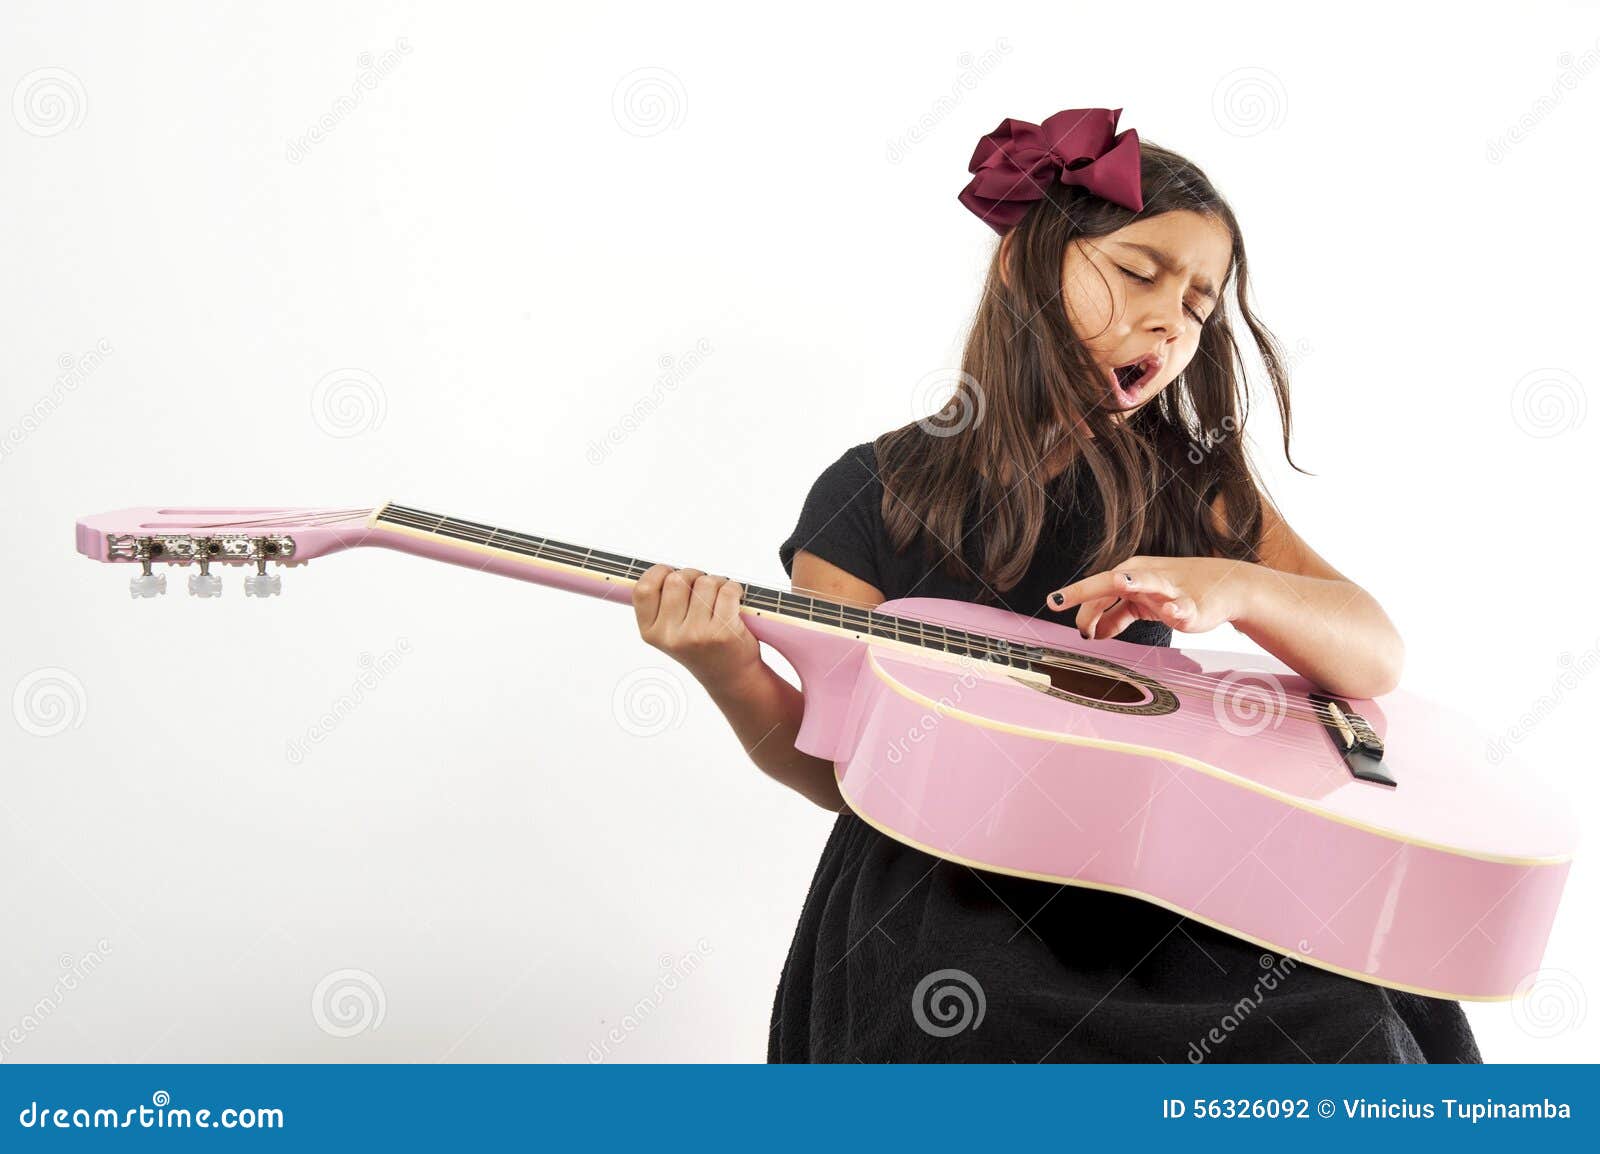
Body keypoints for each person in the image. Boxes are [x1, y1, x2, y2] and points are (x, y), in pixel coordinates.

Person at [630, 108, 1481, 1063]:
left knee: (1347, 1021)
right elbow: (841, 770)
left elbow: (1373, 651)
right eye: (1139, 272)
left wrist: (1234, 586)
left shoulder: (1188, 482)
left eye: (1200, 306)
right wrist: (726, 669)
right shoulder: (869, 494)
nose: (1171, 319)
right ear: (1021, 266)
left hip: (1144, 876)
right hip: (944, 891)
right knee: (982, 1035)